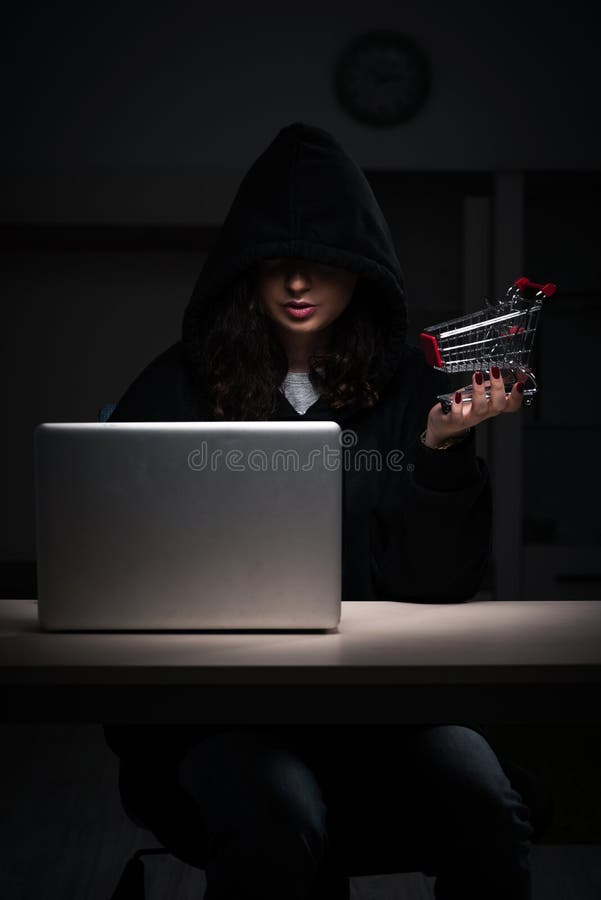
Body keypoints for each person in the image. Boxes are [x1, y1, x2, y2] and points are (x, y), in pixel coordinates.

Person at [103, 122, 547, 899]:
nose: (297, 285)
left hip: (384, 707)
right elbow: (114, 560)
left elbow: (440, 588)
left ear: (360, 272)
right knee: (275, 812)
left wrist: (439, 451)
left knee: (483, 802)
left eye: (322, 265)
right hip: (224, 707)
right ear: (246, 271)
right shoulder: (174, 387)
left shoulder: (413, 384)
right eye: (277, 264)